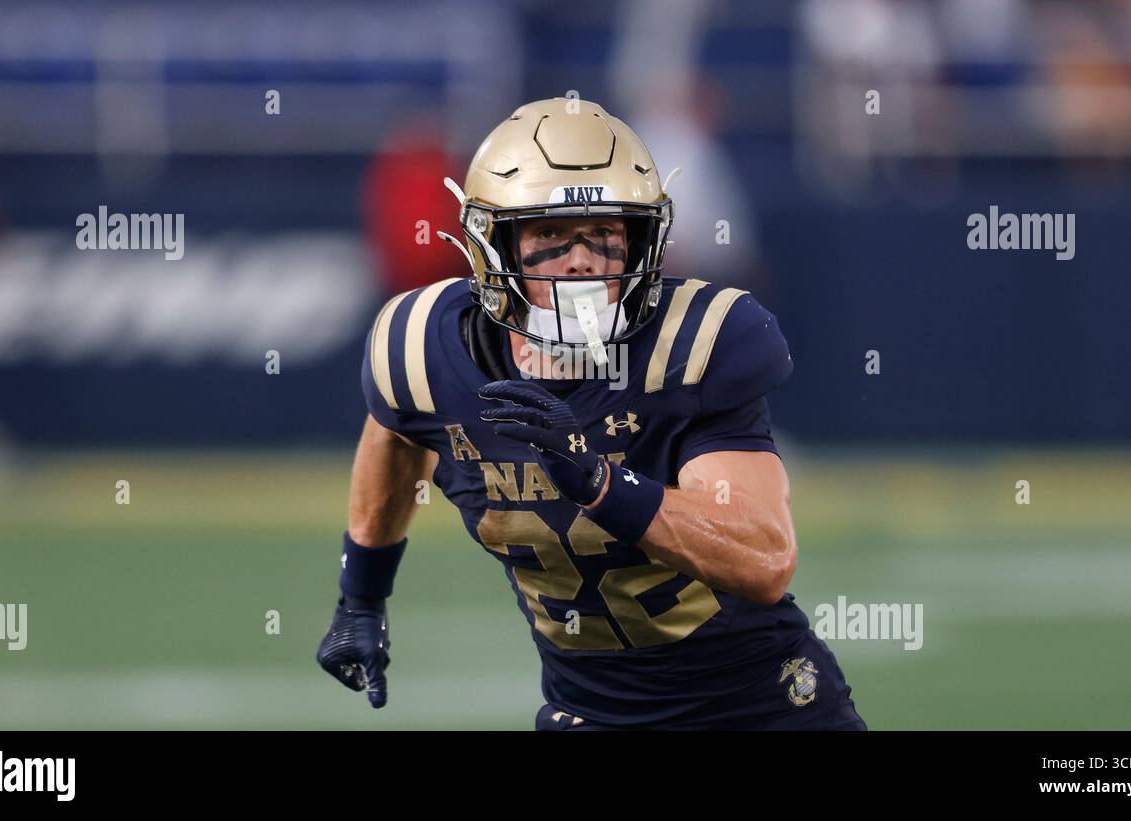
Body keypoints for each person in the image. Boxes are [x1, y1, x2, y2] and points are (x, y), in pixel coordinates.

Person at [317, 98, 865, 730]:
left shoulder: (692, 347)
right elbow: (395, 431)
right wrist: (361, 596)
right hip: (589, 714)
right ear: (493, 246)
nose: (581, 260)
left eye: (604, 232)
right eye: (550, 234)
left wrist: (605, 485)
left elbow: (762, 559)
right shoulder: (422, 346)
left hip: (757, 710)